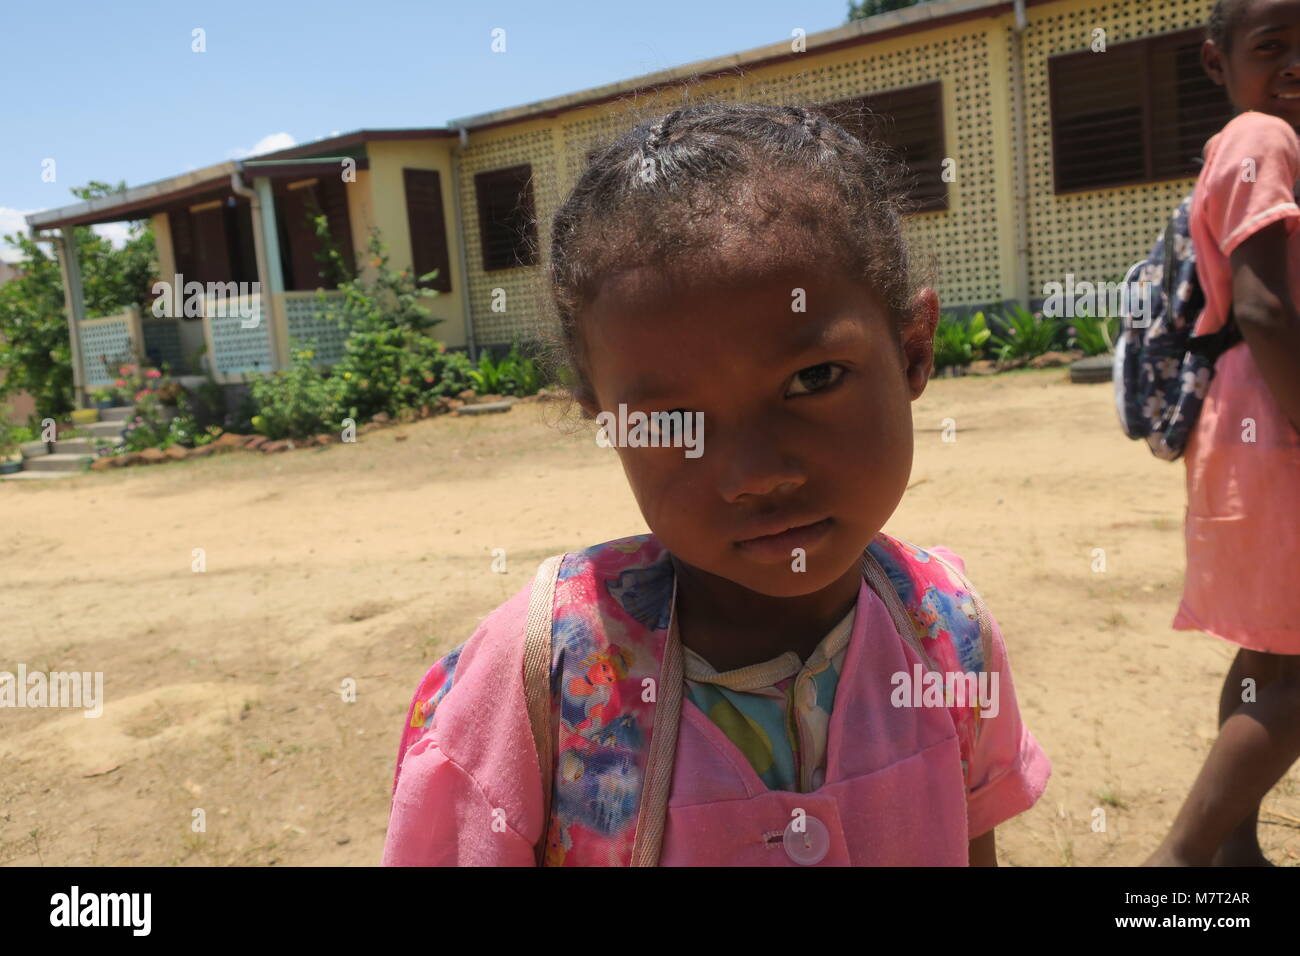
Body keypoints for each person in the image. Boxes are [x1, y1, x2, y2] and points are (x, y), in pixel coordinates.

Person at [383, 102, 1049, 866]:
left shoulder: (949, 634)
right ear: (607, 421)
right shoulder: (541, 679)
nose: (757, 474)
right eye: (671, 423)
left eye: (813, 378)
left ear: (913, 351)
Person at [1145, 0, 1300, 866]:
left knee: (1272, 653)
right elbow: (1264, 309)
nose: (1296, 65)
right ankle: (1178, 867)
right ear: (1217, 63)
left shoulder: (1259, 144)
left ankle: (1234, 855)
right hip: (1276, 428)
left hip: (1252, 429)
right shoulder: (1262, 137)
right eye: (1273, 46)